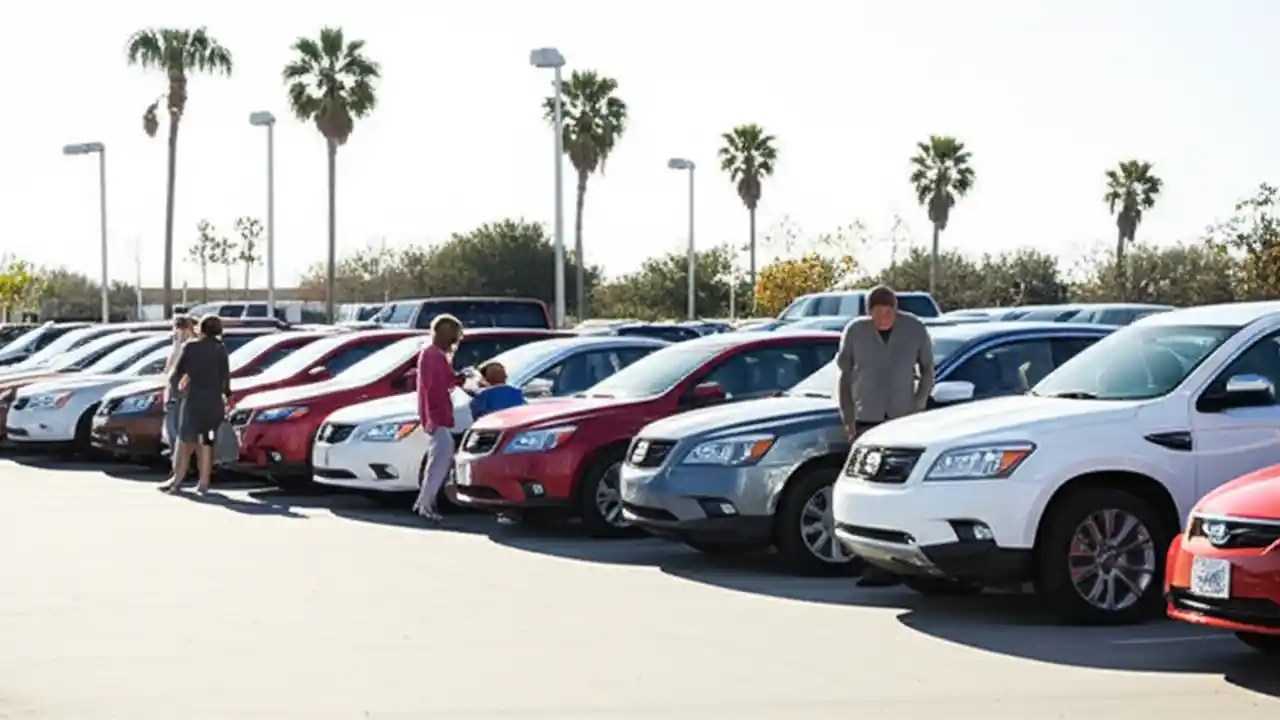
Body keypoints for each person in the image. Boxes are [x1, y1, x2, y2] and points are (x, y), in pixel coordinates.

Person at [836, 285, 935, 587]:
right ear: (868, 312)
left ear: (896, 309)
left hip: (903, 420)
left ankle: (899, 563)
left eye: (888, 312)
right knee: (869, 492)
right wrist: (848, 418)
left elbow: (928, 369)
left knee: (898, 491)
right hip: (868, 417)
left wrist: (918, 404)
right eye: (877, 313)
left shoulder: (915, 329)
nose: (883, 318)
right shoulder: (855, 331)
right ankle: (871, 562)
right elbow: (844, 375)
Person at [158, 315, 232, 495]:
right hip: (213, 402)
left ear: (201, 329)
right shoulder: (220, 349)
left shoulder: (191, 347)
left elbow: (176, 373)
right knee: (205, 443)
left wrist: (177, 392)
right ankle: (204, 483)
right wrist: (226, 397)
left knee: (185, 442)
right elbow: (225, 379)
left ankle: (176, 481)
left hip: (194, 401)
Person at [413, 314, 464, 521]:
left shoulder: (432, 354)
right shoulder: (433, 355)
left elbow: (443, 382)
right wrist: (434, 418)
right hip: (437, 416)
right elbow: (433, 388)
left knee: (439, 459)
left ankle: (422, 502)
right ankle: (426, 504)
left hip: (436, 416)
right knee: (439, 462)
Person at [161, 315, 196, 463]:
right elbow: (168, 369)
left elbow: (177, 369)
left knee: (177, 429)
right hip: (174, 391)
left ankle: (181, 463)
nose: (177, 331)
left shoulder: (189, 346)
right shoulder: (178, 345)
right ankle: (177, 461)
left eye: (180, 328)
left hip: (181, 392)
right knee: (173, 428)